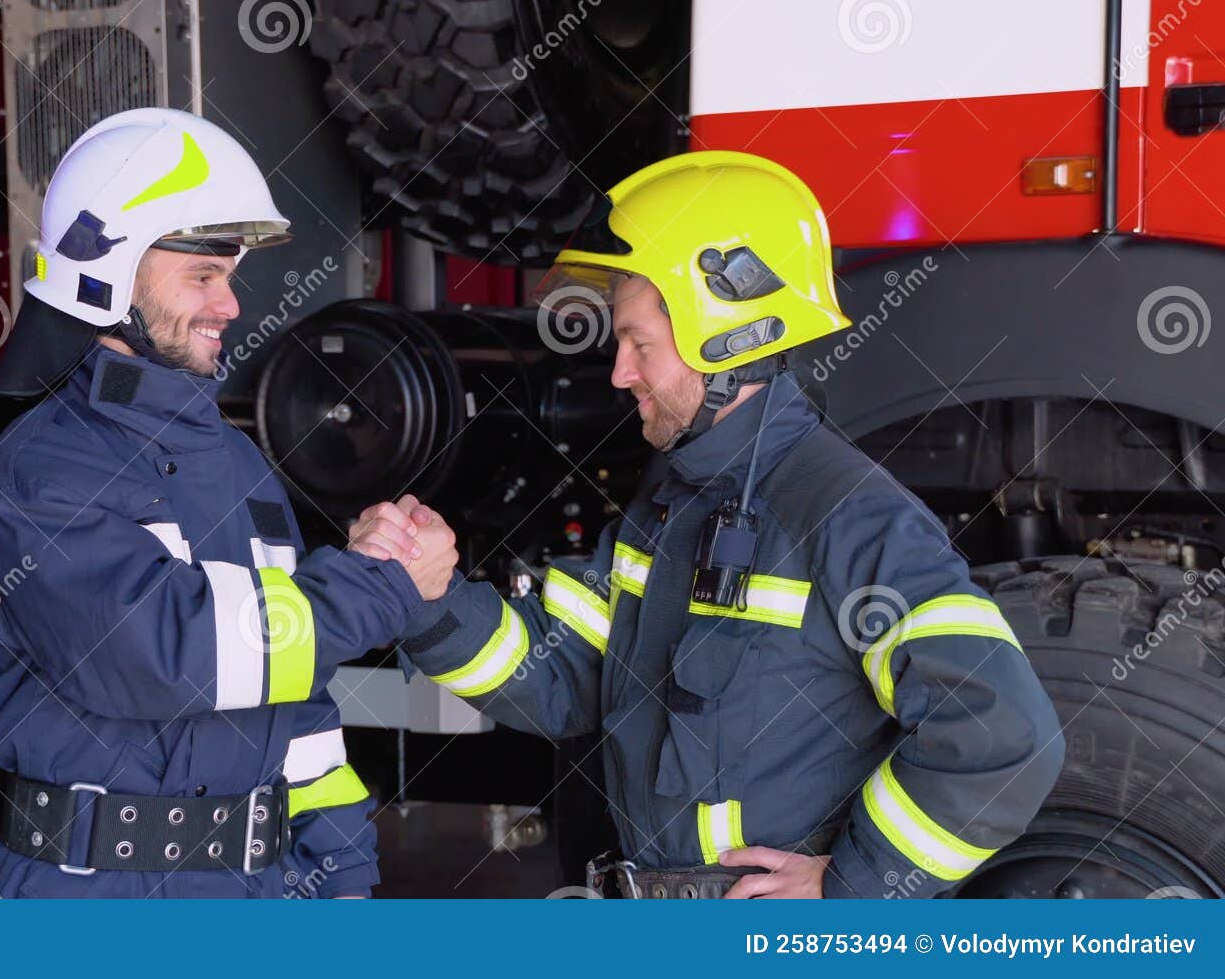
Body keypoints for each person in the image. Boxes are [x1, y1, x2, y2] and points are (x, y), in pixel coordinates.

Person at [392, 151, 1065, 898]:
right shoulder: (669, 506)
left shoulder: (850, 517)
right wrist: (430, 594)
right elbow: (561, 678)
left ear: (732, 342)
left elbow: (1003, 734)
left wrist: (852, 887)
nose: (619, 373)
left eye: (639, 344)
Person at [0, 108, 455, 898]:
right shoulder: (42, 473)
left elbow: (293, 691)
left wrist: (341, 866)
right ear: (108, 276)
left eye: (229, 277)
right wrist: (379, 583)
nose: (230, 306)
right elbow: (173, 658)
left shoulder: (238, 464)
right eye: (201, 276)